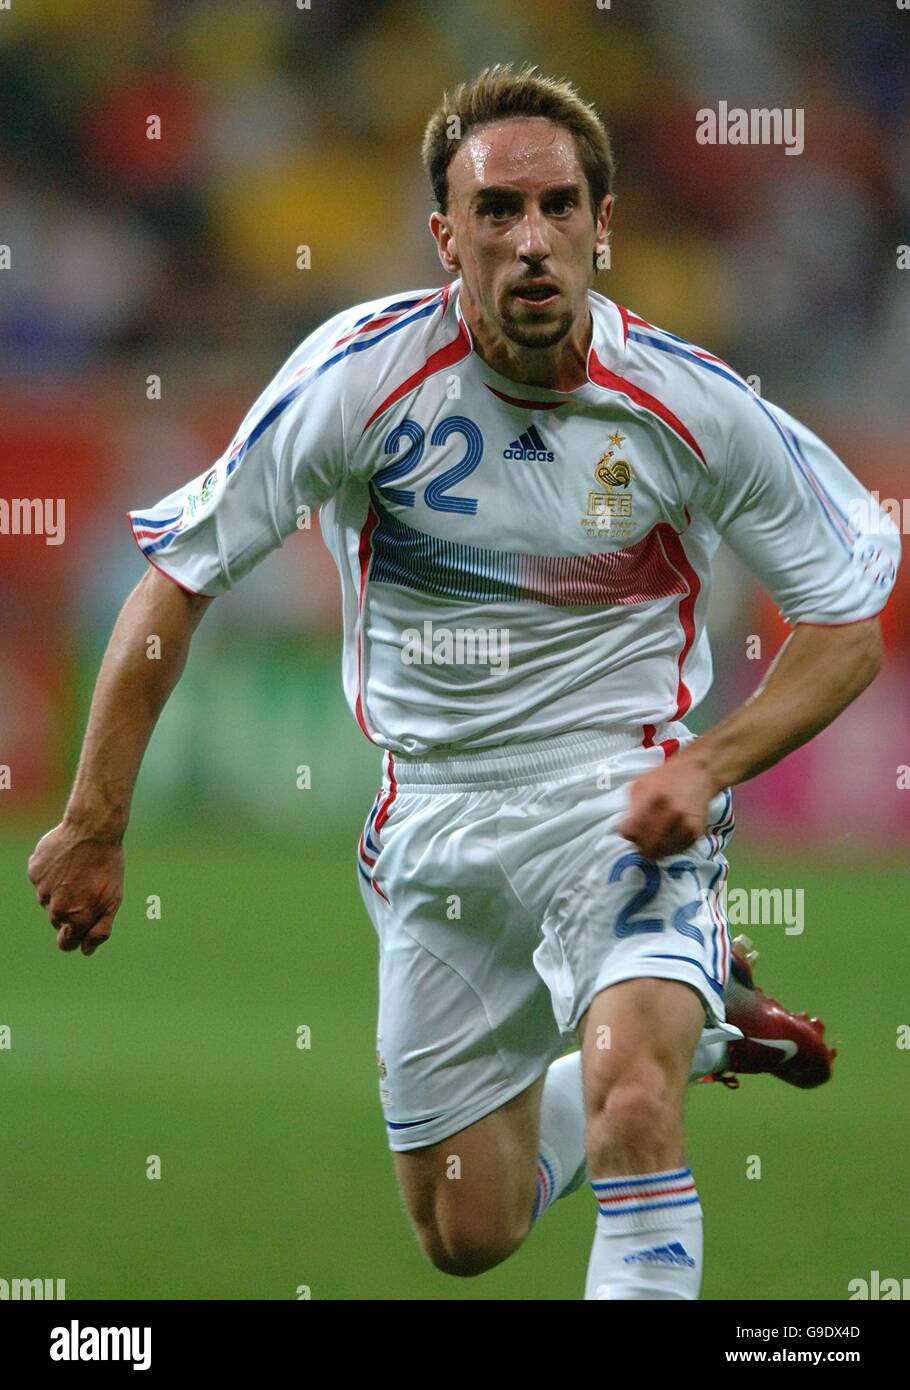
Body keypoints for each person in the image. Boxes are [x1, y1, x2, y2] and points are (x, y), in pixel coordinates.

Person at [28, 64, 898, 1300]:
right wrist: (94, 820)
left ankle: (659, 1018)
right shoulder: (359, 376)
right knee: (464, 1231)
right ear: (447, 235)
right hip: (433, 810)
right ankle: (702, 1014)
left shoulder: (692, 405)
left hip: (622, 795)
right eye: (496, 211)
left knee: (632, 1100)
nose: (529, 240)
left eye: (556, 208)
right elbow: (177, 581)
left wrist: (702, 765)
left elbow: (844, 620)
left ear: (604, 225)